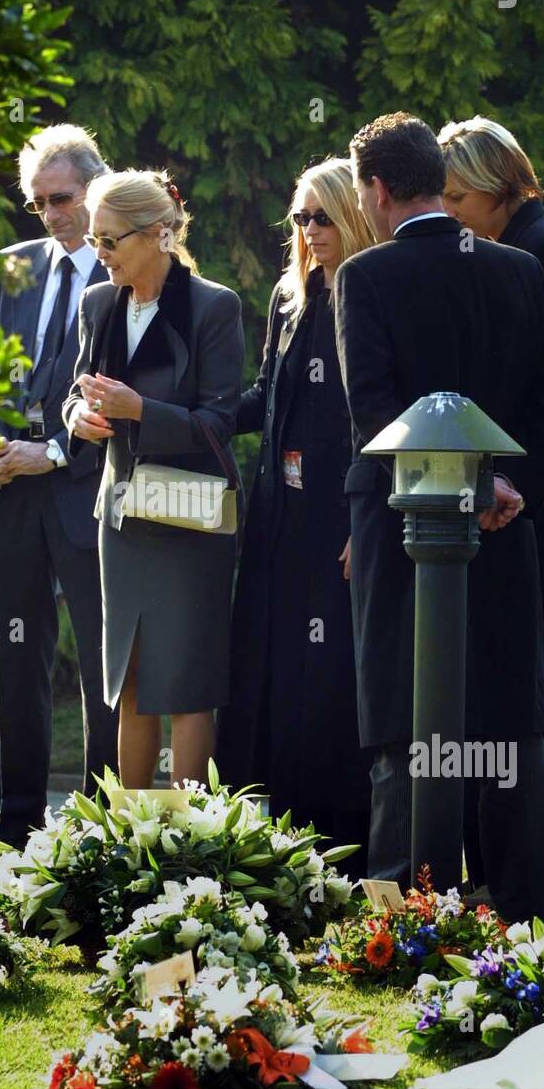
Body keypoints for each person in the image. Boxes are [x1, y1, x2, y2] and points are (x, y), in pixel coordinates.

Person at [334, 112, 544, 924]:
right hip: (507, 531)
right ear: (436, 181)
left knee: (406, 721)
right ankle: (522, 900)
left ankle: (408, 909)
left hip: (405, 536)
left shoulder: (363, 279)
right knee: (512, 714)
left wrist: (462, 491)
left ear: (375, 189)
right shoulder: (519, 270)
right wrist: (508, 486)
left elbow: (373, 417)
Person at [438, 115, 544, 878]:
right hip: (526, 494)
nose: (451, 211)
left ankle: (535, 858)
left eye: (460, 195)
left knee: (539, 680)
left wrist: (519, 486)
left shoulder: (541, 253)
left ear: (500, 189)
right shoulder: (517, 247)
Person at [215, 158, 372, 873]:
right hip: (278, 519)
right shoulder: (290, 297)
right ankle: (266, 844)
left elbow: (377, 420)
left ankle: (335, 854)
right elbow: (263, 398)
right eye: (300, 218)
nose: (310, 231)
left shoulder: (372, 296)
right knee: (268, 674)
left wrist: (361, 524)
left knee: (329, 680)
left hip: (339, 521)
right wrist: (185, 419)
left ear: (356, 216)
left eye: (324, 217)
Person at [63, 169, 244, 788]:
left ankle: (191, 838)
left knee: (189, 683)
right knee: (131, 676)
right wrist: (80, 417)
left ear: (160, 235)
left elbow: (220, 421)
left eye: (110, 242)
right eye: (94, 241)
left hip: (193, 515)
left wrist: (141, 410)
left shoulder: (213, 306)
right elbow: (77, 391)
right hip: (124, 518)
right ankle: (133, 835)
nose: (100, 254)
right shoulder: (98, 303)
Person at [0, 124, 119, 849]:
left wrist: (52, 452)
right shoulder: (8, 268)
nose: (52, 214)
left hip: (84, 492)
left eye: (61, 199)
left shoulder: (128, 272)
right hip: (5, 494)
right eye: (39, 203)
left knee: (101, 663)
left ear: (93, 188)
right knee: (15, 660)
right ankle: (16, 831)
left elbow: (126, 401)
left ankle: (98, 833)